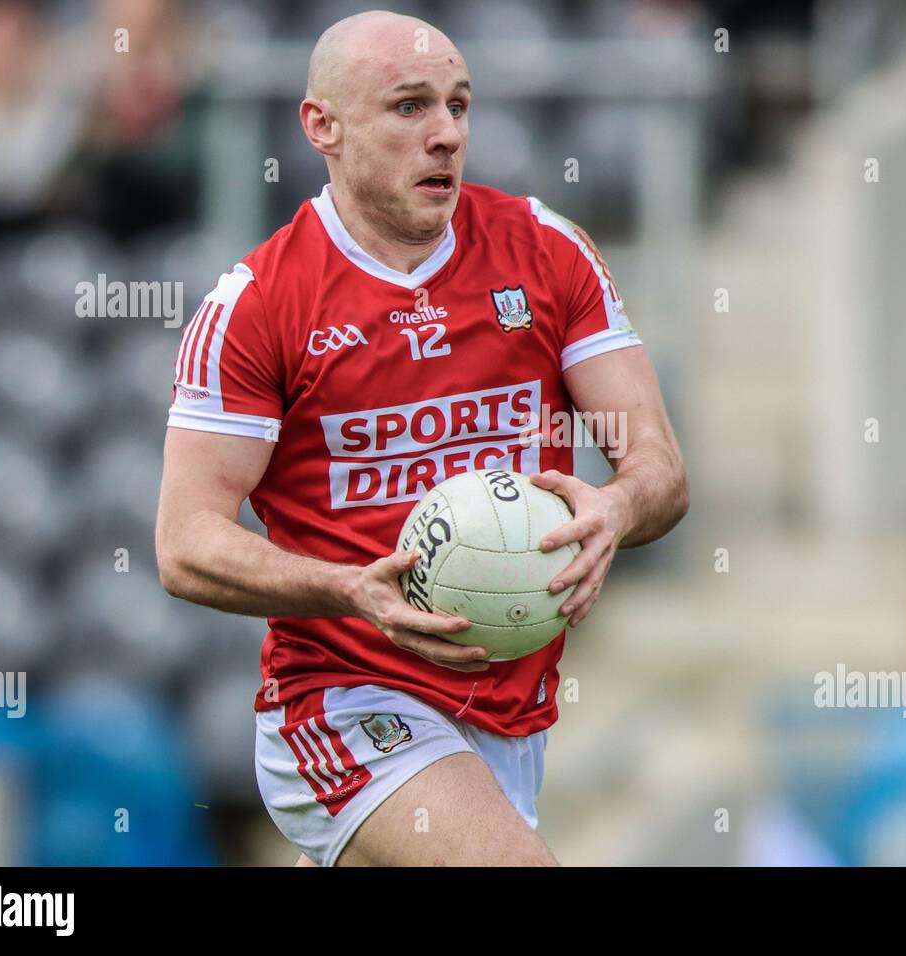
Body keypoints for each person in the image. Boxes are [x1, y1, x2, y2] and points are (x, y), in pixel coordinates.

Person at [154, 11, 688, 867]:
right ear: (322, 127)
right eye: (410, 107)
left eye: (459, 105)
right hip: (345, 699)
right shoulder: (257, 303)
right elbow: (184, 547)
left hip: (509, 709)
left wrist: (617, 508)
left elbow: (658, 467)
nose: (446, 134)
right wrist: (350, 590)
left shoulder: (547, 252)